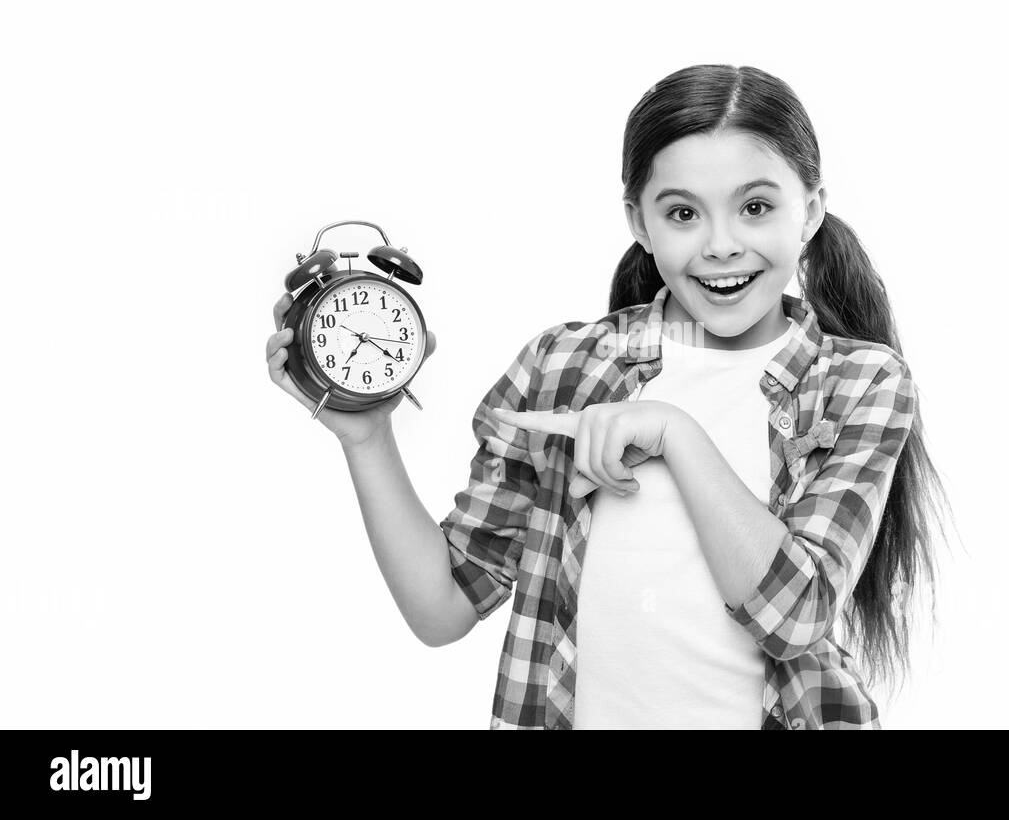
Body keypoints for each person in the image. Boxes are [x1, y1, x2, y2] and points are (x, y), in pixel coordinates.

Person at [265, 63, 948, 730]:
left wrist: (676, 435)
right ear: (640, 223)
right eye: (682, 213)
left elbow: (795, 614)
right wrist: (367, 437)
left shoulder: (860, 383)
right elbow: (442, 607)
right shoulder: (561, 366)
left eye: (756, 207)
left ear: (811, 211)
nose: (720, 244)